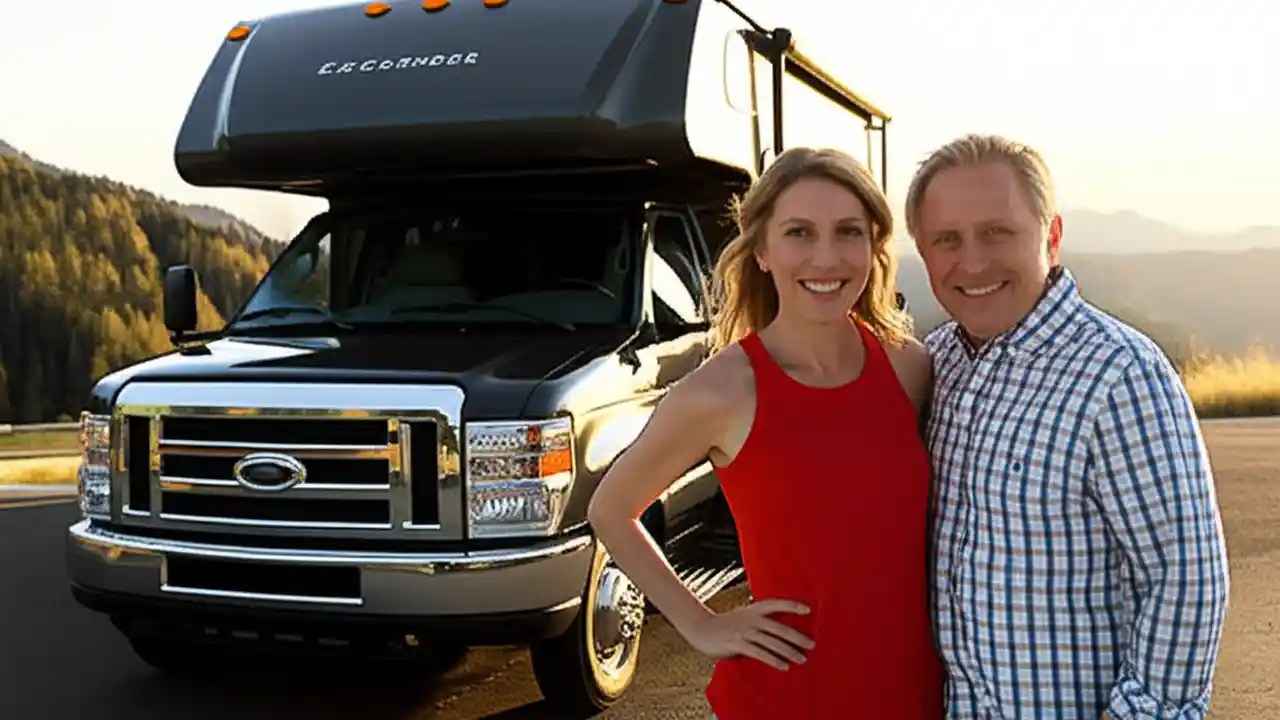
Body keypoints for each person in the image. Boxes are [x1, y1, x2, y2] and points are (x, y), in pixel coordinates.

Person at [587, 147, 944, 718]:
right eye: (800, 232)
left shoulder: (908, 367)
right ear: (762, 250)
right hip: (788, 694)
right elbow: (610, 509)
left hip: (911, 691)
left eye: (848, 232)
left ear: (874, 248)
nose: (826, 258)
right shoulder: (721, 391)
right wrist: (701, 624)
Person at [906, 133, 1231, 719]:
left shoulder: (1119, 372)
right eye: (947, 240)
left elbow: (1184, 578)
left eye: (997, 233)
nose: (973, 261)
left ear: (1051, 237)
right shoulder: (939, 365)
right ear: (923, 252)